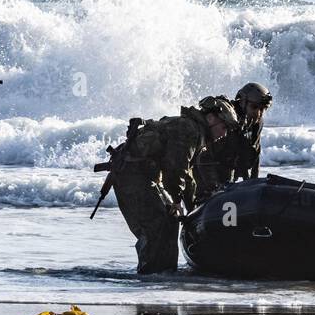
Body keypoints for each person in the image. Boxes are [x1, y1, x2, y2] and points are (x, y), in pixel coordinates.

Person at [101, 97, 239, 274]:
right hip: (132, 175)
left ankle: (164, 274)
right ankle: (150, 277)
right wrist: (176, 201)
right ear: (211, 118)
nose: (224, 133)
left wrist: (193, 208)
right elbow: (175, 170)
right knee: (155, 226)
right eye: (224, 126)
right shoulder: (189, 129)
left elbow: (187, 177)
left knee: (170, 221)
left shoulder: (196, 132)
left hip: (144, 176)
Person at [194, 82, 274, 198]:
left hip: (229, 167)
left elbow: (255, 152)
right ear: (242, 102)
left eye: (263, 109)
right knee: (204, 202)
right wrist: (215, 188)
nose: (259, 113)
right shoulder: (226, 118)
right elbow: (203, 156)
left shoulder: (256, 122)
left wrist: (253, 186)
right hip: (204, 167)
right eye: (255, 107)